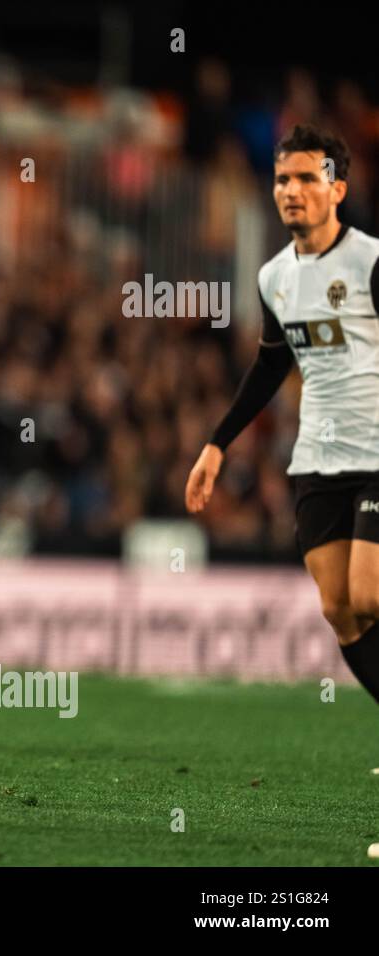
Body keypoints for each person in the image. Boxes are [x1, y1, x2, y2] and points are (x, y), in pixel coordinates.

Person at [187, 124, 379, 718]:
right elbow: (271, 365)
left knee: (369, 593)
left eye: (306, 177)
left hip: (376, 455)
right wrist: (218, 444)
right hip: (319, 460)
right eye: (281, 178)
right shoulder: (275, 278)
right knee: (338, 610)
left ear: (338, 189)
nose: (291, 189)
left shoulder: (370, 262)